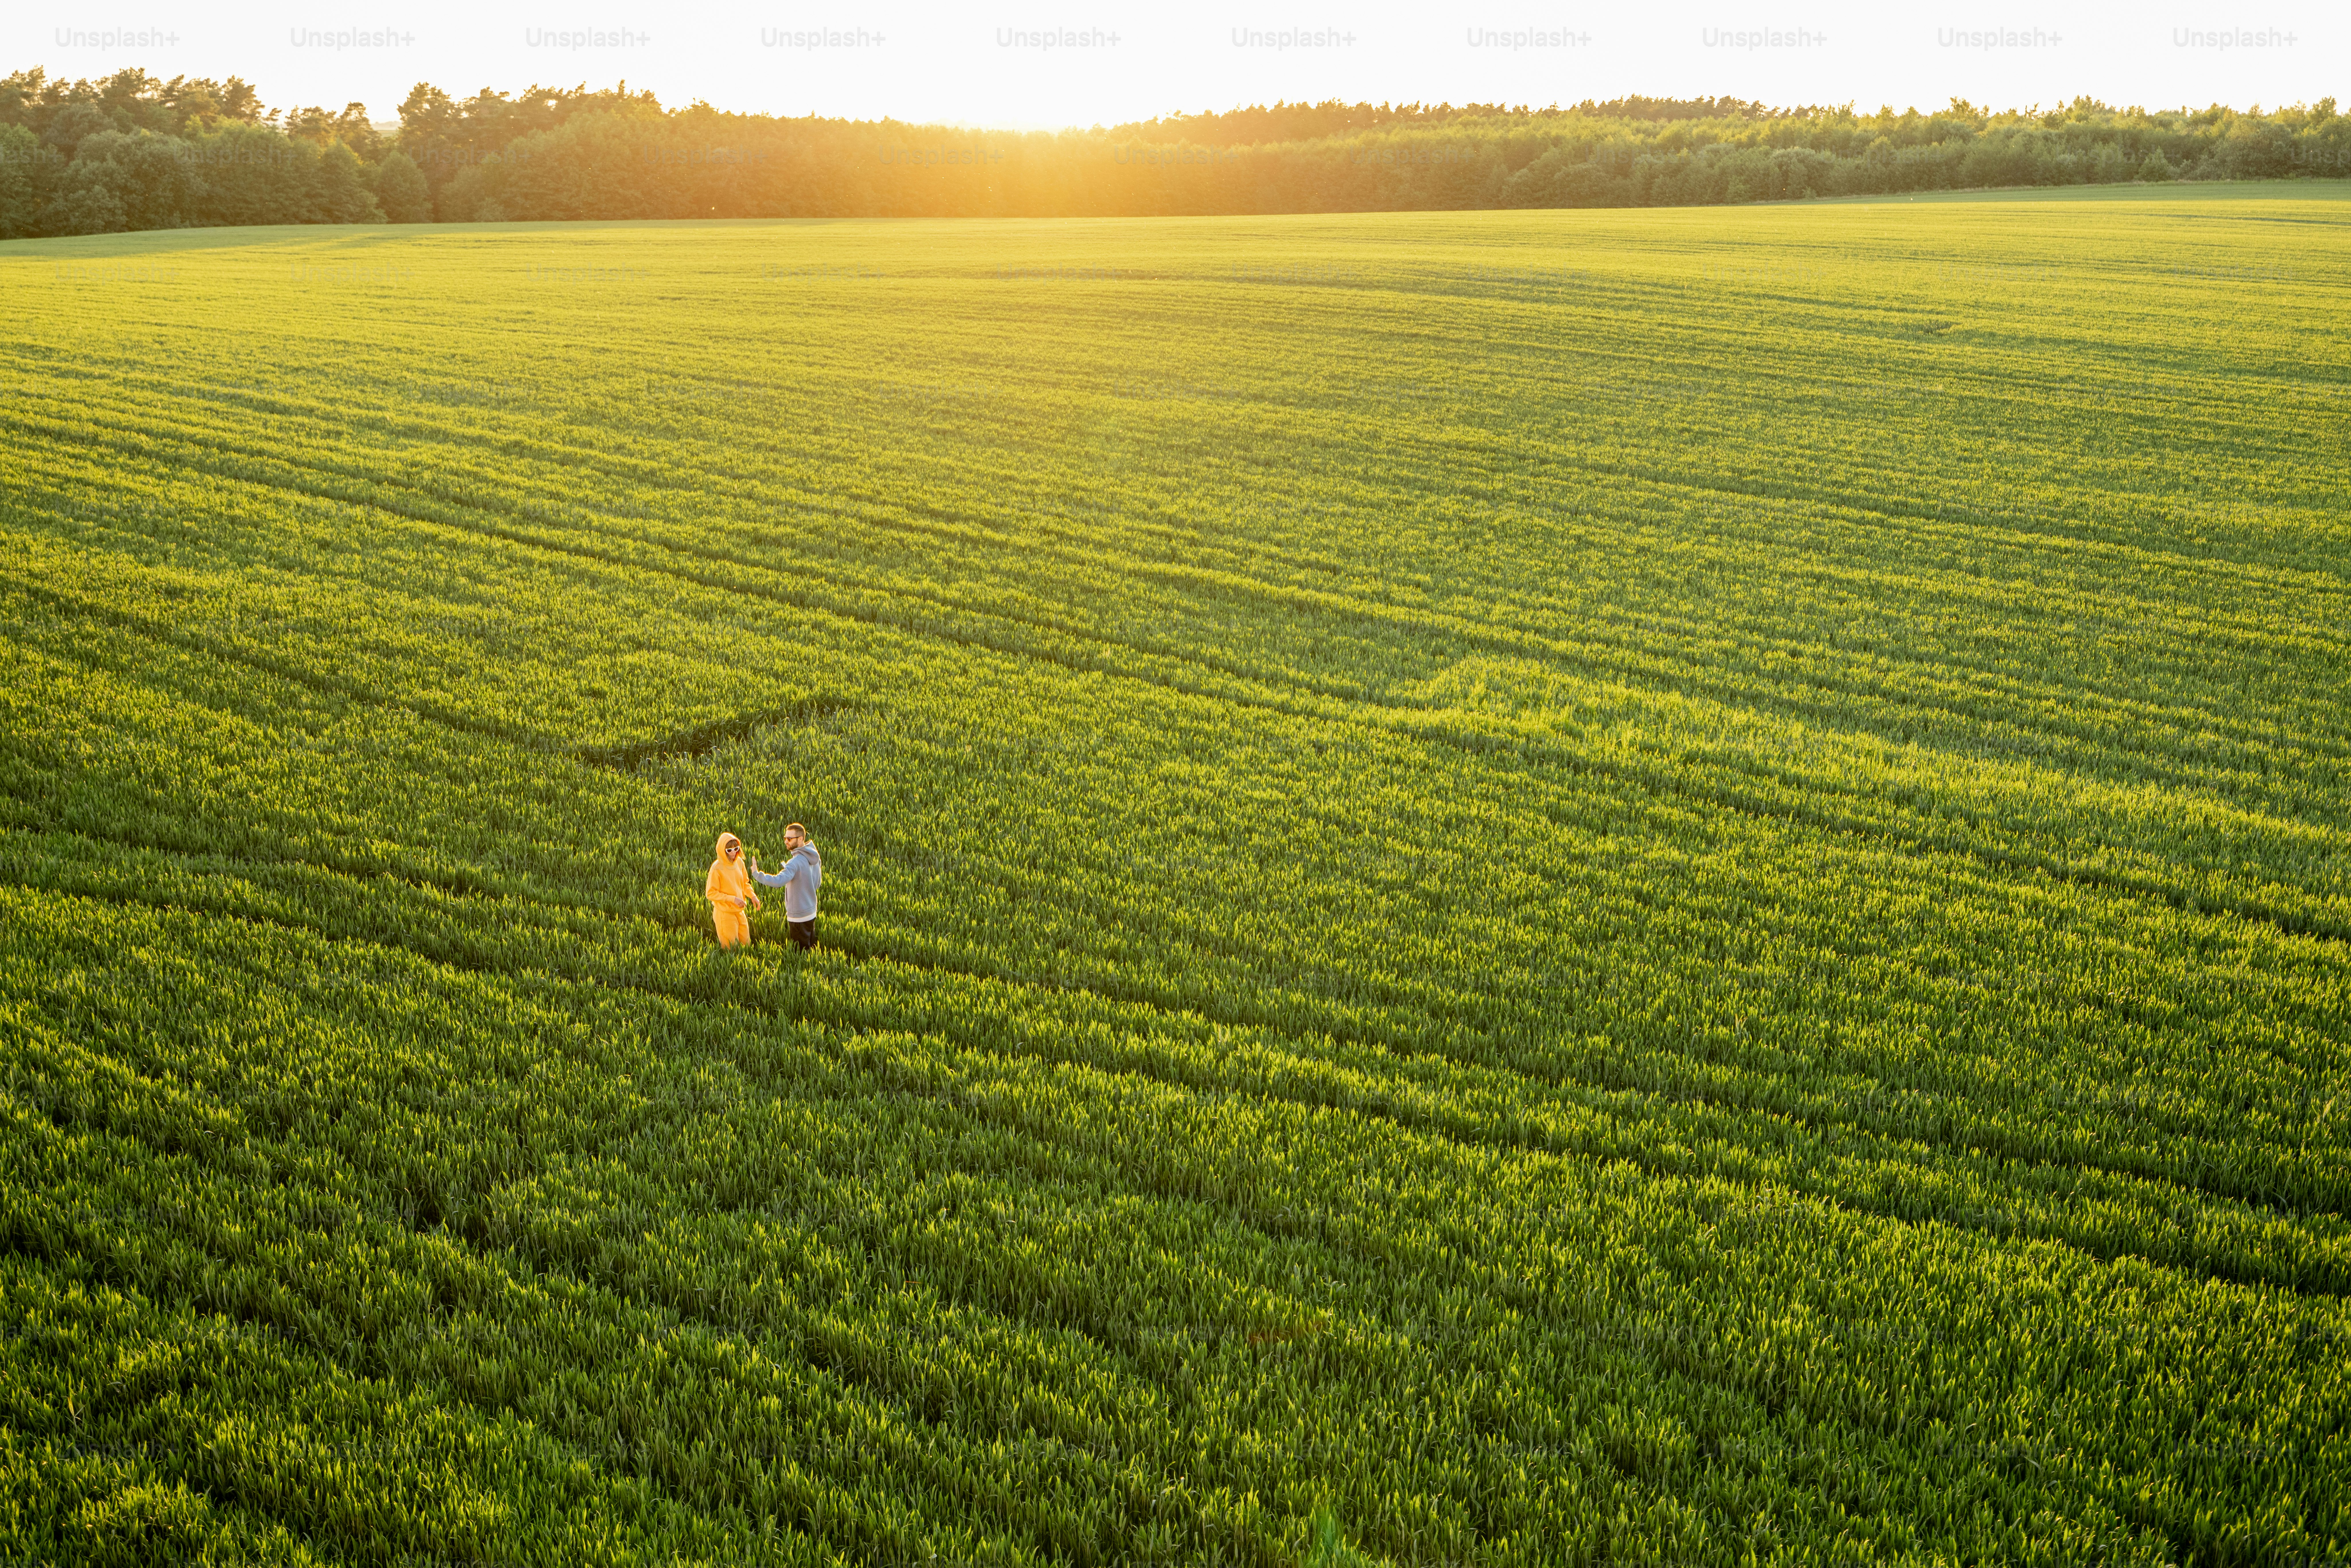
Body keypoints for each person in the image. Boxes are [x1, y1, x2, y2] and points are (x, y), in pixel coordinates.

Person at [750, 822, 821, 950]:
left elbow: (778, 881)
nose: (786, 842)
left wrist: (757, 874)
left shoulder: (794, 863)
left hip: (799, 916)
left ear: (800, 839)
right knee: (810, 949)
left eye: (789, 839)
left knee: (800, 955)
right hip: (811, 912)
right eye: (785, 838)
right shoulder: (814, 857)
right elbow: (818, 883)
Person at [705, 831, 761, 948]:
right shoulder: (717, 868)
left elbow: (745, 883)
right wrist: (732, 899)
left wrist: (753, 896)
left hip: (740, 911)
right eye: (729, 850)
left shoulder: (740, 862)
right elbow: (710, 893)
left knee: (747, 946)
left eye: (736, 849)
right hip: (725, 914)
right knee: (731, 949)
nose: (734, 853)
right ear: (722, 850)